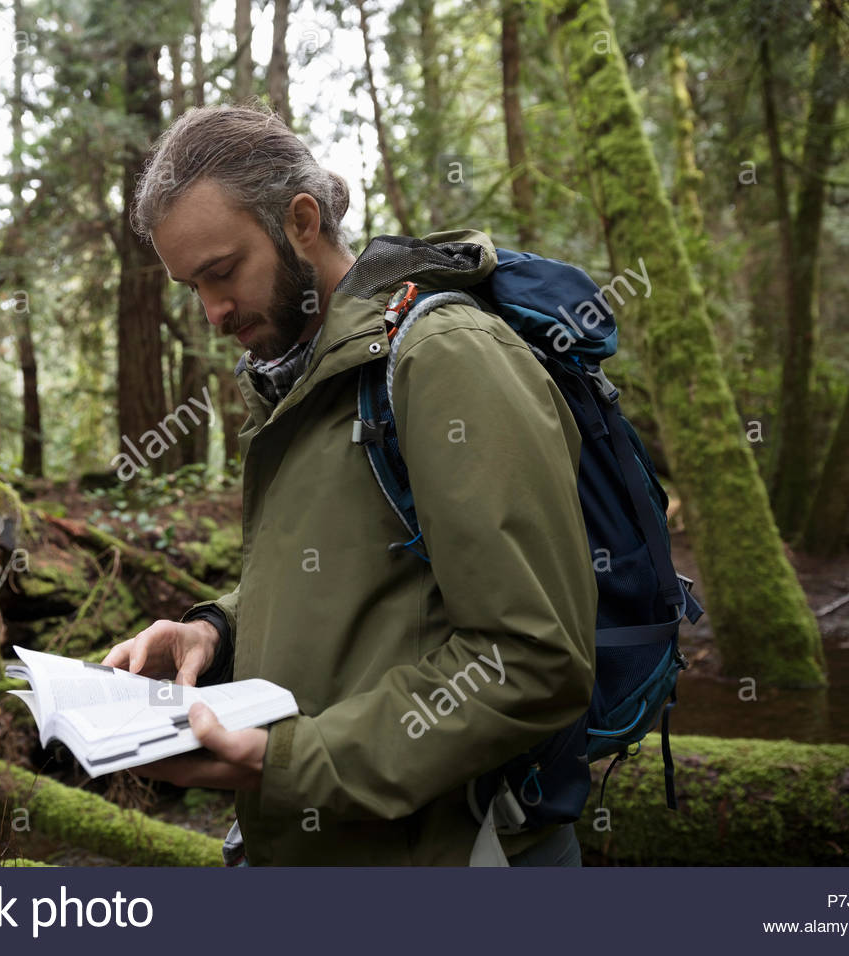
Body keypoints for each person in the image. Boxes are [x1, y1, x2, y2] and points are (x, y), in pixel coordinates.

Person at [104, 103, 597, 866]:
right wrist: (216, 632)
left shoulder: (444, 357)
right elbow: (361, 577)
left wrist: (283, 760)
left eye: (223, 272)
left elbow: (532, 658)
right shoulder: (299, 383)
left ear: (301, 222)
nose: (212, 312)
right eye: (190, 287)